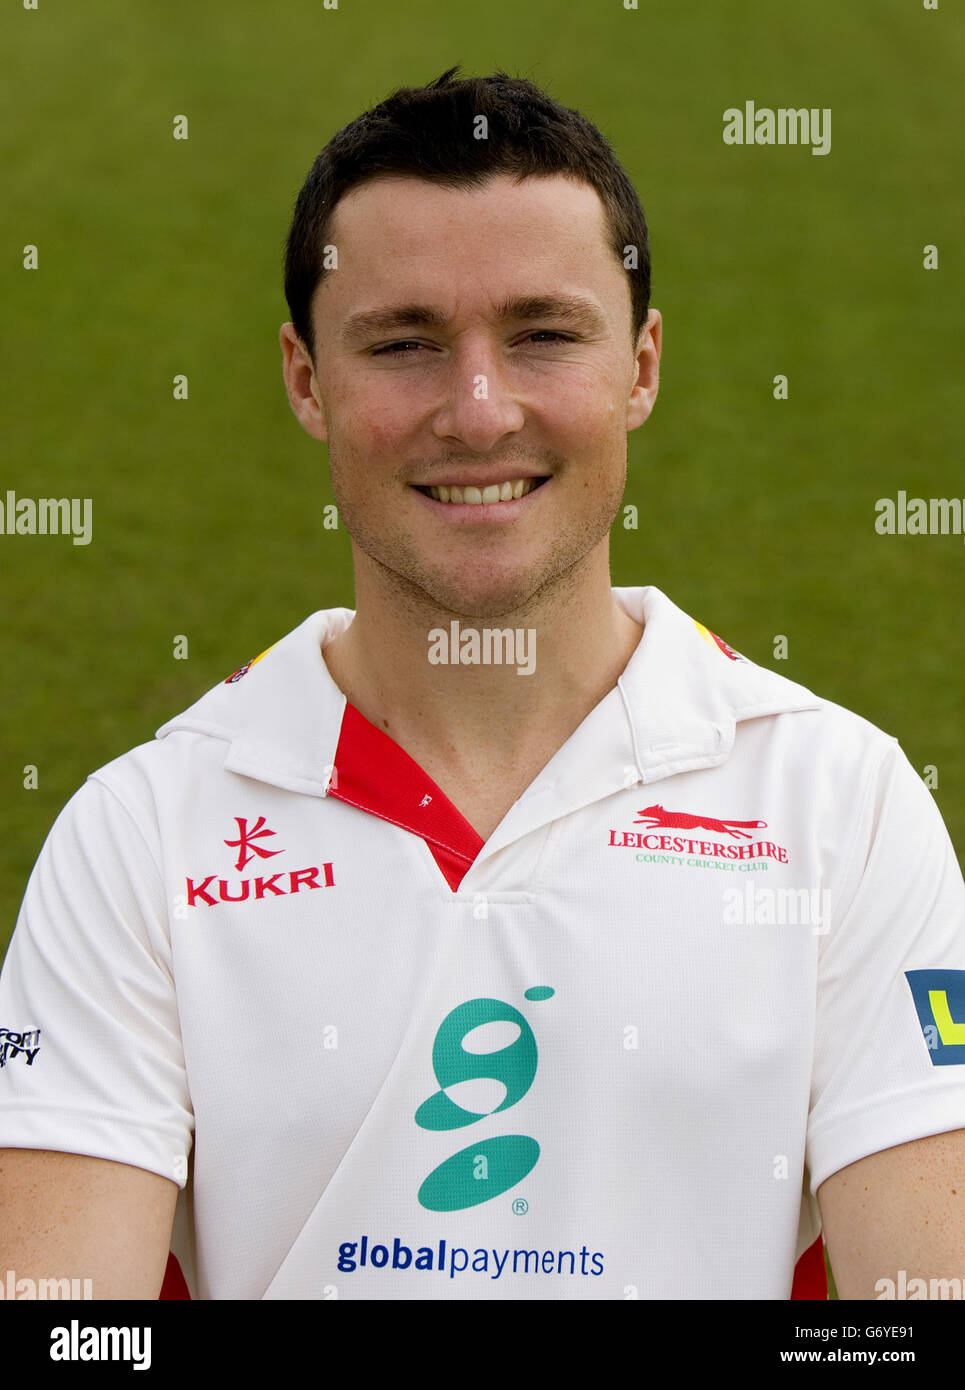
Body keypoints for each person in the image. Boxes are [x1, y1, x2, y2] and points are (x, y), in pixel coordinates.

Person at [1, 66, 964, 1302]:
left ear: (641, 365)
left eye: (542, 335)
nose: (476, 409)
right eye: (401, 344)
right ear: (306, 379)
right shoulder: (138, 836)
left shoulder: (840, 805)